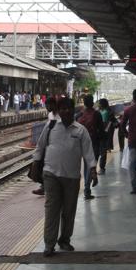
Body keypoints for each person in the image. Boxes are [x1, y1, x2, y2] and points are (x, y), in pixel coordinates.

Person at [33, 97, 97, 257]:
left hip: (72, 176)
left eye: (68, 108)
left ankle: (65, 239)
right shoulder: (51, 126)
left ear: (73, 109)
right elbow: (40, 146)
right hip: (51, 174)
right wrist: (35, 165)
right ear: (59, 111)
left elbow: (88, 152)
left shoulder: (80, 130)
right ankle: (49, 244)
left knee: (69, 210)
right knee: (51, 209)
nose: (66, 111)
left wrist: (93, 170)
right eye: (62, 108)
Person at [77, 95, 105, 200]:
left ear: (84, 103)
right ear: (92, 102)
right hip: (93, 143)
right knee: (90, 165)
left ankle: (86, 188)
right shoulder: (97, 114)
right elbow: (101, 130)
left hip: (81, 144)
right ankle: (87, 190)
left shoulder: (79, 114)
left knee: (85, 166)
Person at [97, 98, 115, 174]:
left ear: (102, 104)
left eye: (99, 103)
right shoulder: (104, 111)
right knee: (102, 152)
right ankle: (101, 168)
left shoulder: (104, 113)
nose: (98, 105)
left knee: (102, 152)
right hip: (103, 134)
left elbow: (104, 125)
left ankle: (101, 168)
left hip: (102, 134)